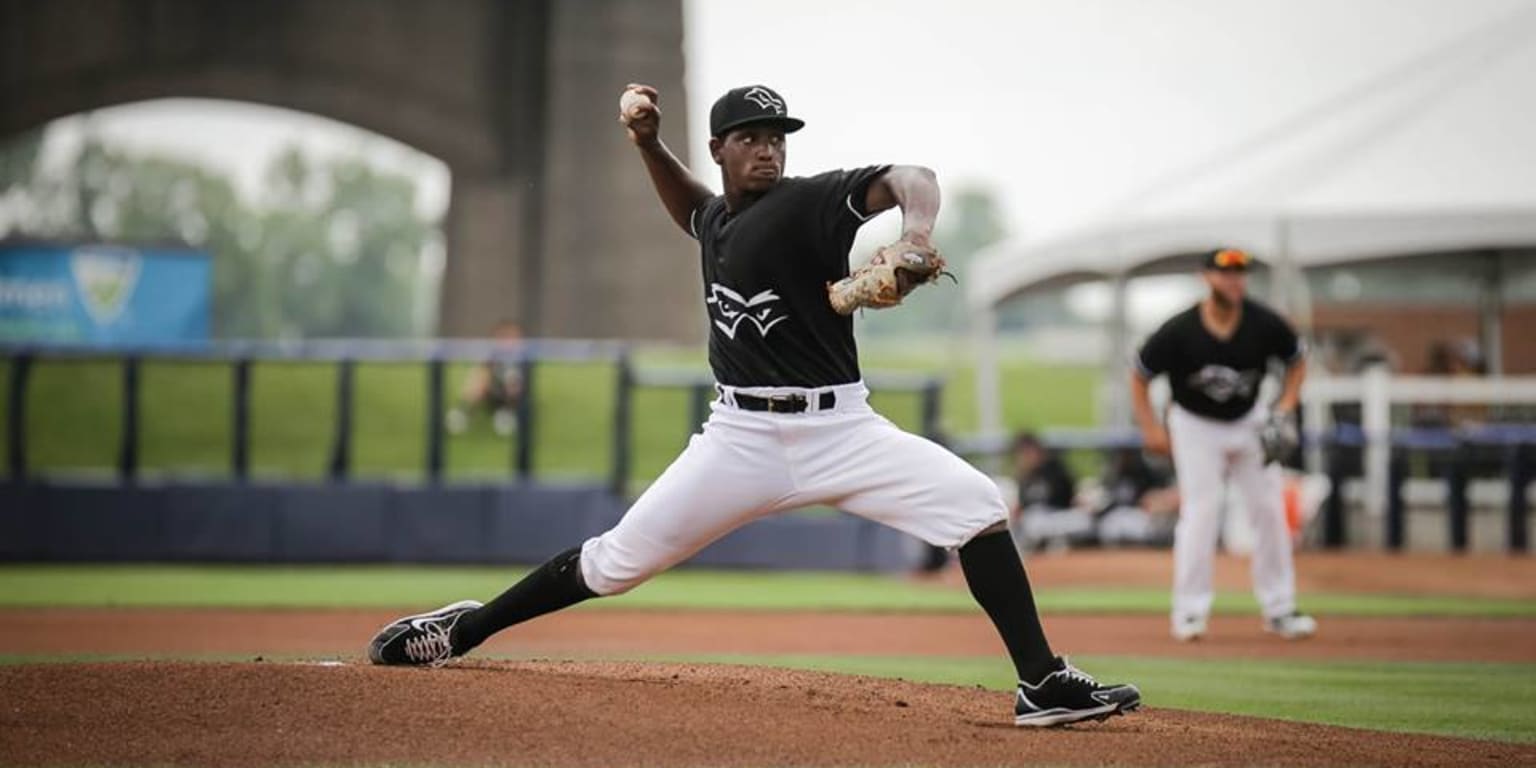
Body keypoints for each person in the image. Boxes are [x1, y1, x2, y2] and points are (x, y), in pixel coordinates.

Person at [366, 82, 1140, 727]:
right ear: (720, 151)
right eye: (750, 135)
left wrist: (916, 233)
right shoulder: (717, 221)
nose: (768, 147)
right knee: (613, 564)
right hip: (738, 438)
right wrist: (645, 143)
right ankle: (462, 630)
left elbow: (913, 175)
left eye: (777, 135)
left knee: (975, 503)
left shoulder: (809, 203)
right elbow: (690, 211)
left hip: (842, 429)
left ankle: (1040, 681)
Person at [1130, 247, 1318, 642]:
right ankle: (1190, 613)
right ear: (1206, 277)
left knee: (1268, 509)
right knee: (1201, 512)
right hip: (1194, 424)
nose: (1234, 280)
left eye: (1240, 273)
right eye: (1225, 273)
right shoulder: (1180, 329)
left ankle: (1280, 608)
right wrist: (1150, 426)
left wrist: (1285, 405)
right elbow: (1140, 374)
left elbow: (1298, 359)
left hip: (1248, 420)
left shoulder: (1263, 322)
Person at [1008, 432, 1090, 553]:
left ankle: (1052, 540)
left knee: (1082, 520)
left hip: (1057, 517)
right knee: (1032, 520)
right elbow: (1022, 508)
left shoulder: (1056, 469)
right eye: (1023, 454)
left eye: (1029, 452)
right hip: (1034, 520)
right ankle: (1045, 542)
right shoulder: (1025, 477)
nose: (1026, 457)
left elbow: (1072, 498)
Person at [446, 320, 524, 437]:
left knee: (512, 382)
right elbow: (481, 374)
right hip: (494, 395)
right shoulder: (491, 357)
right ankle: (462, 413)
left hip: (515, 400)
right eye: (503, 337)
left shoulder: (523, 357)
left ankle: (507, 415)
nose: (507, 341)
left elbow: (519, 385)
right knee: (479, 376)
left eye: (511, 337)